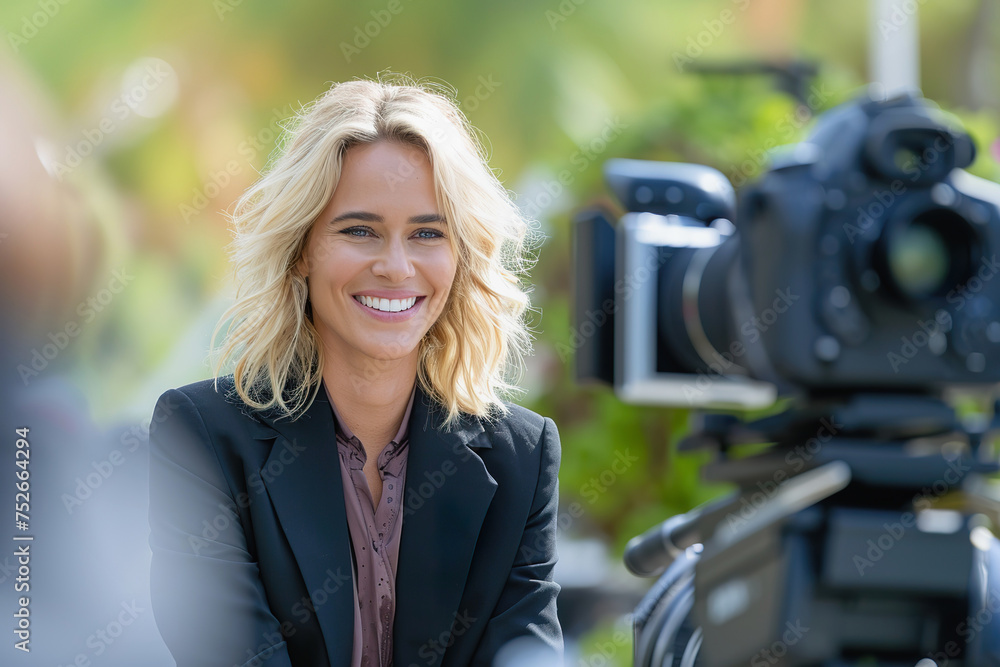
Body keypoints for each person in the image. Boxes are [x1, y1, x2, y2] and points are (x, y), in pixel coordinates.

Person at [146, 76, 563, 667]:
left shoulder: (522, 456)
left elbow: (524, 654)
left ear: (460, 258)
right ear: (300, 253)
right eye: (360, 230)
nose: (396, 267)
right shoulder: (203, 438)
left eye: (427, 233)